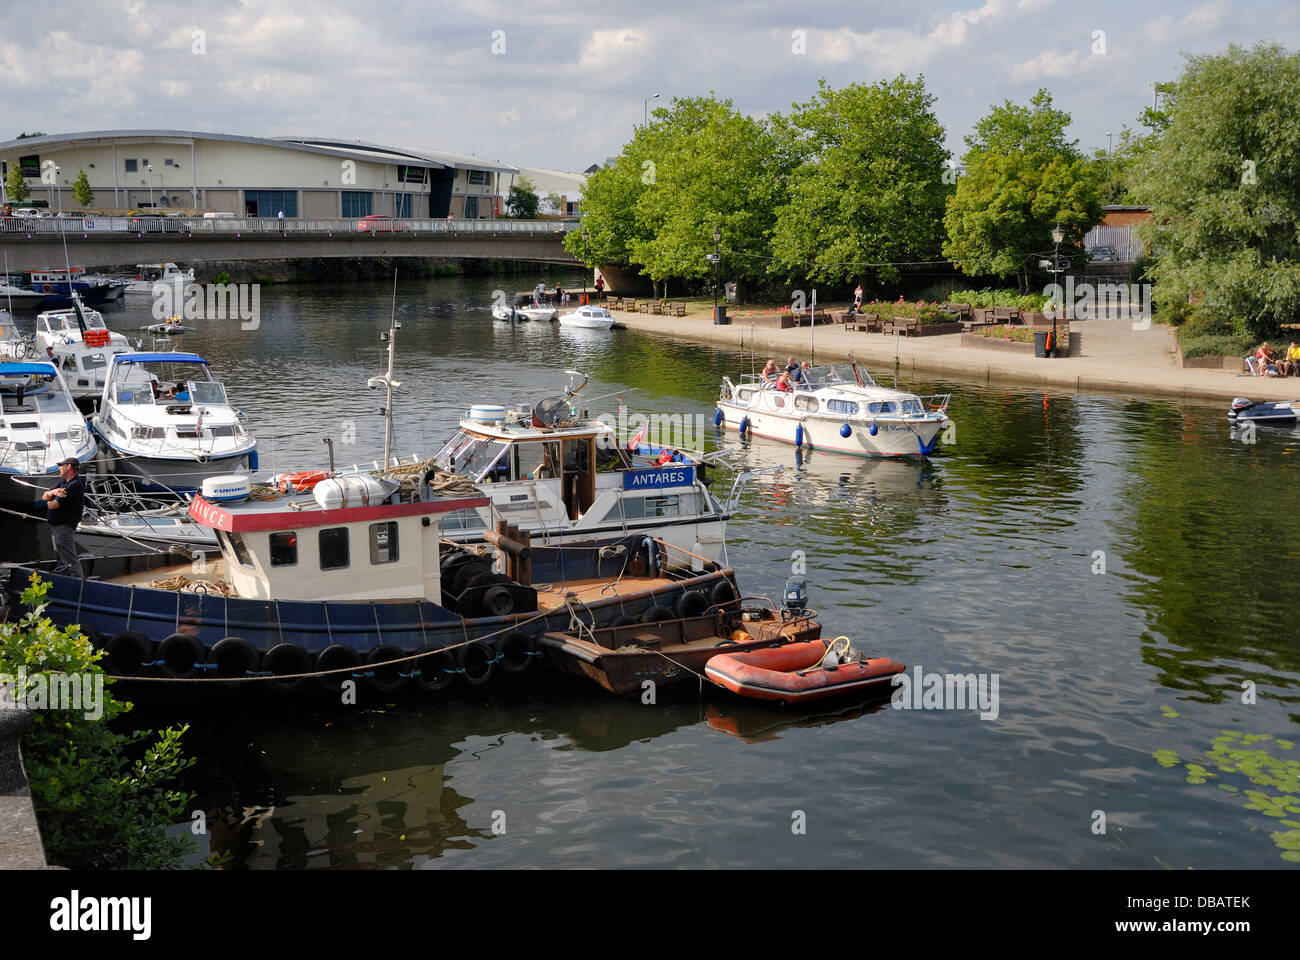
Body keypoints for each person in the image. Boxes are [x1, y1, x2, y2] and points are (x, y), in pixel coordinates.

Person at [42, 458, 85, 578]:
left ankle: (79, 585)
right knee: (61, 558)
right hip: (56, 527)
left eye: (61, 465)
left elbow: (52, 505)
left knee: (70, 559)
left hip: (64, 527)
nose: (59, 468)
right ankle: (64, 582)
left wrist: (50, 496)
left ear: (69, 467)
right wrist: (54, 492)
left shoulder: (74, 485)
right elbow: (44, 496)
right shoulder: (63, 482)